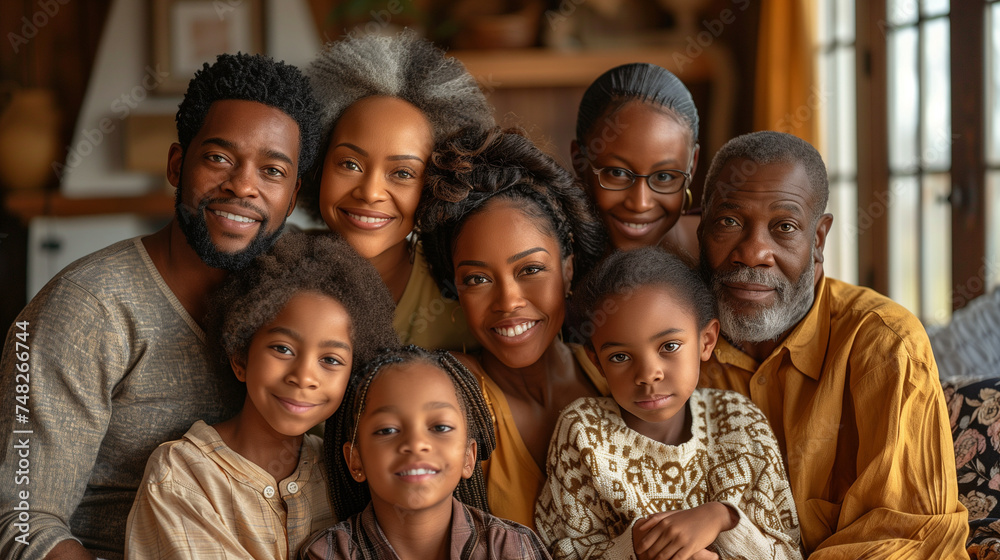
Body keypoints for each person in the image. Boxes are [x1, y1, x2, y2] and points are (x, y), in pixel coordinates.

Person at [0, 53, 321, 560]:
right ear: (177, 165)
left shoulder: (299, 291)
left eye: (272, 170)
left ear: (293, 193)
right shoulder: (87, 308)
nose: (243, 185)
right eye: (219, 158)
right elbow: (22, 518)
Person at [696, 130, 969, 558]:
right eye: (729, 222)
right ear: (701, 229)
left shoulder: (885, 344)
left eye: (785, 227)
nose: (752, 252)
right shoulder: (670, 342)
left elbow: (910, 535)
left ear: (818, 239)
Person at [124, 231, 398, 559]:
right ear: (241, 358)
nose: (304, 377)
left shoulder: (343, 471)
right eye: (282, 349)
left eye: (331, 360)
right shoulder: (183, 475)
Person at [535, 247, 802, 560]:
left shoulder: (740, 421)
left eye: (670, 346)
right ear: (596, 362)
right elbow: (558, 550)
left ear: (706, 341)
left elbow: (788, 551)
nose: (648, 374)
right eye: (619, 357)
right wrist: (635, 547)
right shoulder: (584, 432)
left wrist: (724, 518)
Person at [417, 127, 608, 528]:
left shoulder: (615, 373)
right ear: (456, 290)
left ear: (567, 270)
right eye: (477, 279)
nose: (507, 302)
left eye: (531, 270)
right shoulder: (451, 395)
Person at [301, 31, 494, 352]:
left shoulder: (460, 300)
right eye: (350, 164)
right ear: (318, 164)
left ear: (437, 183)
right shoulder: (274, 276)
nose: (370, 192)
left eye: (403, 173)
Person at [300, 346, 552, 560]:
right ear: (355, 460)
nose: (416, 443)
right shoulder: (328, 554)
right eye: (388, 430)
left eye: (440, 427)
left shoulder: (510, 548)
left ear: (468, 457)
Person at [573, 63, 701, 256]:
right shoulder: (549, 258)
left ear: (691, 166)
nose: (640, 204)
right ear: (579, 161)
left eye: (664, 177)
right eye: (618, 173)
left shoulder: (723, 255)